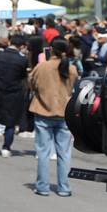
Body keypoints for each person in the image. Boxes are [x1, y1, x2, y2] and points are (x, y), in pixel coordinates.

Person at [29, 38, 79, 197]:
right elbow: (73, 88)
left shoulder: (42, 66)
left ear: (51, 49)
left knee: (43, 152)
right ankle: (64, 187)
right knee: (64, 153)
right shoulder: (71, 69)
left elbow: (32, 84)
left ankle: (42, 186)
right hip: (64, 113)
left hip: (43, 111)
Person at [0, 34, 30, 156]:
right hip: (14, 94)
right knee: (10, 122)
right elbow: (23, 77)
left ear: (10, 42)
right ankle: (6, 148)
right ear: (21, 46)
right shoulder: (23, 60)